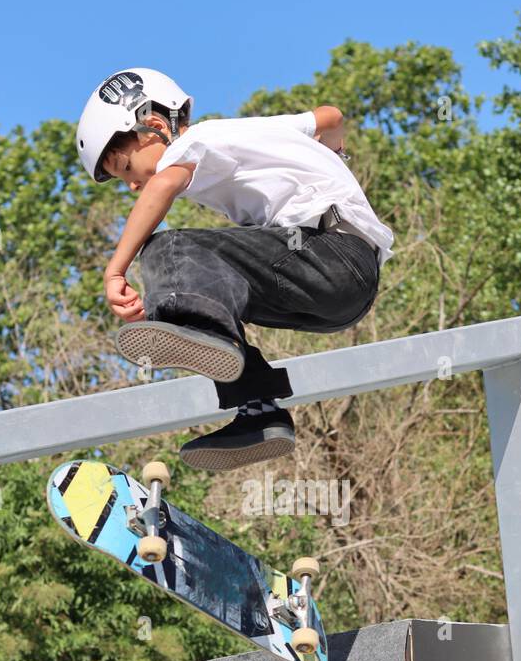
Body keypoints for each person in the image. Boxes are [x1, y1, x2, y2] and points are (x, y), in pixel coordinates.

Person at [76, 68, 394, 471]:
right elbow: (330, 116)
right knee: (215, 285)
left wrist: (115, 272)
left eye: (126, 168)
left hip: (329, 253)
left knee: (167, 249)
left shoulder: (194, 141)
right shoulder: (257, 132)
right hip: (344, 290)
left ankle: (201, 327)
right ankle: (258, 412)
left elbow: (161, 188)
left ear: (155, 126)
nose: (134, 185)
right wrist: (330, 154)